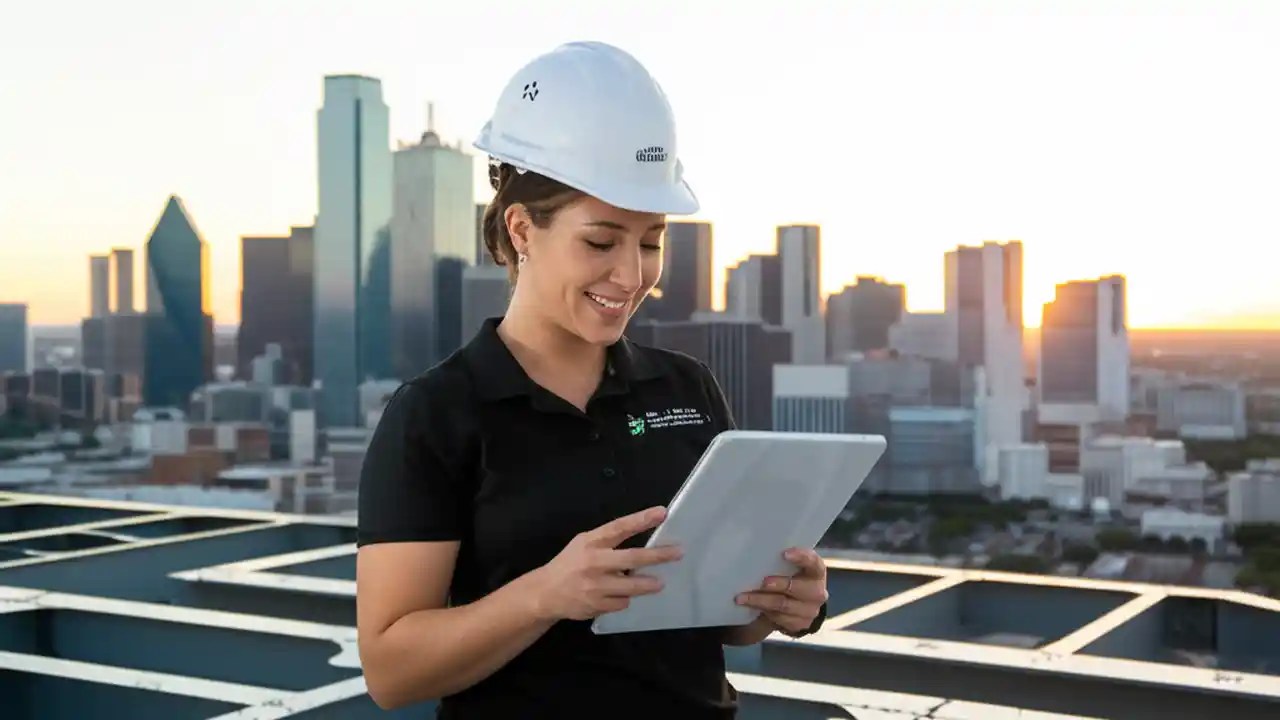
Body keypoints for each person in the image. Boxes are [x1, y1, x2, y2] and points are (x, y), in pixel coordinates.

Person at [355, 41, 829, 718]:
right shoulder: (436, 415)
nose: (631, 275)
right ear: (521, 229)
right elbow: (391, 671)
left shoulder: (686, 390)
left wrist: (777, 603)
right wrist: (544, 594)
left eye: (651, 241)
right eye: (601, 242)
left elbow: (718, 620)